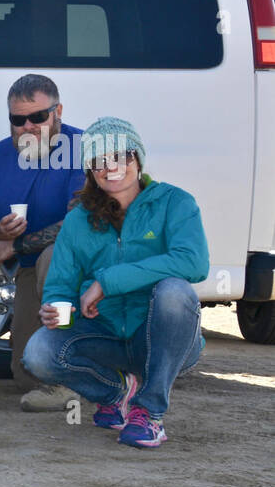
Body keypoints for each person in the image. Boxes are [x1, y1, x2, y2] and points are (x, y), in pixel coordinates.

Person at [22, 117, 208, 449]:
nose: (111, 168)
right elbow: (60, 285)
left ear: (138, 158)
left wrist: (108, 282)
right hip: (104, 335)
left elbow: (194, 262)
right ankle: (116, 392)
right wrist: (55, 308)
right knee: (38, 352)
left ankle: (149, 413)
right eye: (99, 161)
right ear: (90, 170)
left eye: (121, 156)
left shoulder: (175, 202)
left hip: (160, 338)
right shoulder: (79, 219)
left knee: (175, 291)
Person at [0, 74, 85, 411]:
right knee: (26, 373)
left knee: (55, 255)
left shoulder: (83, 149)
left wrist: (16, 247)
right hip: (31, 276)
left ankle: (66, 380)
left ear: (58, 111)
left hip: (86, 273)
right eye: (18, 119)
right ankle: (89, 373)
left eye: (38, 117)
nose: (28, 127)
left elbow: (76, 226)